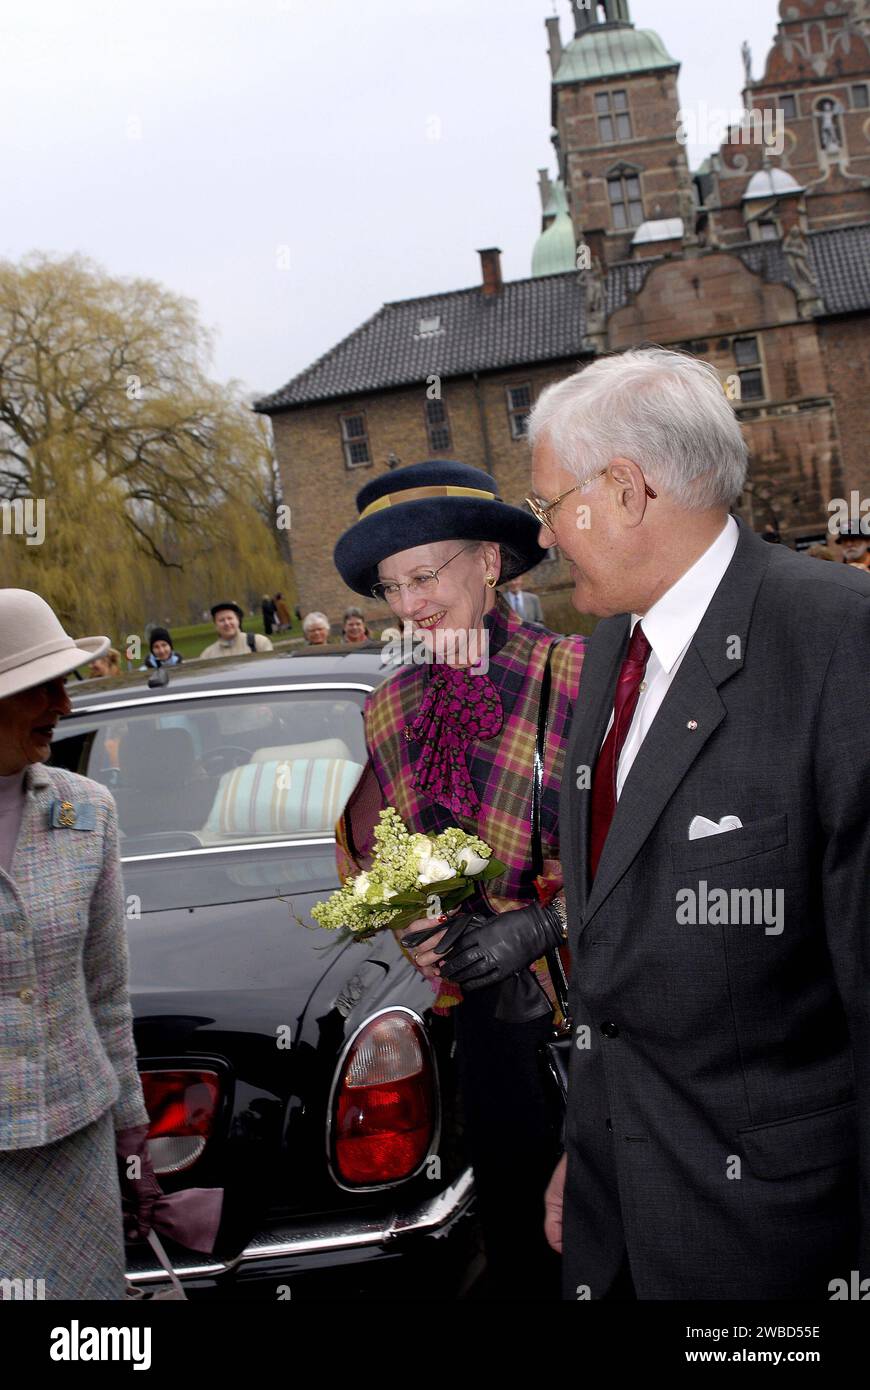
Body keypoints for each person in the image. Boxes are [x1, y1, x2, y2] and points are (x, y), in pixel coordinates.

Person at [526, 347, 870, 1300]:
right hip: (623, 1217)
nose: (546, 538)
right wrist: (589, 1149)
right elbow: (619, 952)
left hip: (779, 1245)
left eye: (550, 506)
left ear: (626, 492)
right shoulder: (611, 647)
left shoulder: (842, 643)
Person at [333, 460, 585, 1299]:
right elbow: (371, 850)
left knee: (612, 1235)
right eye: (392, 586)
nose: (409, 606)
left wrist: (544, 926)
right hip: (482, 1028)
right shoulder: (391, 707)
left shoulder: (579, 677)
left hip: (599, 1019)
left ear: (489, 560)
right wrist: (412, 923)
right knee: (518, 1239)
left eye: (426, 575)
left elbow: (653, 854)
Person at [0, 590, 164, 1298]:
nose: (64, 707)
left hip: (76, 1140)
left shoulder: (86, 810)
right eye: (45, 688)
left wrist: (132, 1134)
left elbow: (106, 991)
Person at [199, 602, 273, 659]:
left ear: (238, 620)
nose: (227, 623)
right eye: (221, 620)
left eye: (230, 618)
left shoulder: (259, 643)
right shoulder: (207, 655)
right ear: (215, 625)